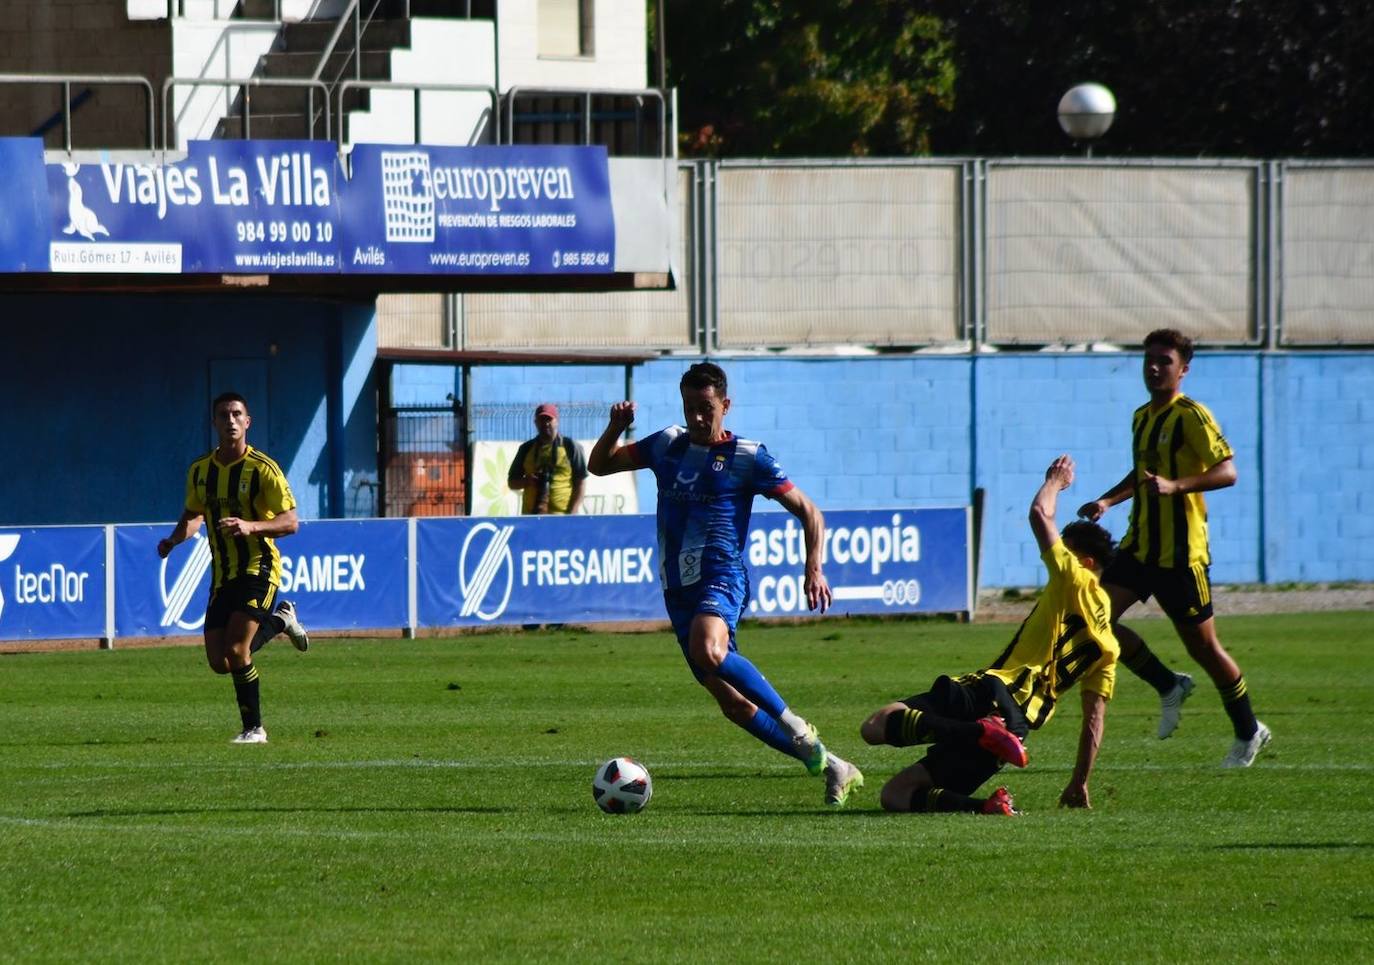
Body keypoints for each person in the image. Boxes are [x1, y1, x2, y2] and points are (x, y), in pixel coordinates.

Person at [588, 362, 864, 807]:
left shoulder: (748, 457)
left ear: (726, 406)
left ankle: (795, 724)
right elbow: (599, 466)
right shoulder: (666, 445)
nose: (698, 417)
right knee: (733, 705)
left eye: (707, 408)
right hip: (677, 588)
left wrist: (814, 567)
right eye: (690, 407)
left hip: (722, 575)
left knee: (710, 650)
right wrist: (614, 428)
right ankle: (834, 765)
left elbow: (810, 511)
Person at [859, 455, 1118, 815]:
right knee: (897, 794)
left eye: (1067, 548)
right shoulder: (1109, 647)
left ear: (1087, 562)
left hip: (995, 690)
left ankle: (978, 731)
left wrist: (1056, 481)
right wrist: (1080, 781)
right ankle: (990, 806)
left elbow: (1040, 515)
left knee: (874, 726)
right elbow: (1094, 719)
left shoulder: (1073, 578)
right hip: (1019, 727)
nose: (1058, 552)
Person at [1078, 329, 1271, 768]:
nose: (1153, 367)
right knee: (1092, 618)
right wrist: (1108, 500)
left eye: (1164, 361)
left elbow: (1228, 472)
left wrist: (1178, 485)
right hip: (1138, 548)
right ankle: (1168, 685)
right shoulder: (1142, 416)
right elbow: (1143, 474)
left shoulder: (1192, 416)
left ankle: (1248, 730)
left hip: (1182, 558)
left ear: (1182, 369)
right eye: (1148, 359)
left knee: (1204, 649)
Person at [157, 392, 310, 745]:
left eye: (236, 414)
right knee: (219, 661)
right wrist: (173, 540)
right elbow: (194, 514)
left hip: (259, 567)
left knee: (237, 651)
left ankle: (254, 728)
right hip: (223, 574)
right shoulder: (200, 471)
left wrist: (251, 526)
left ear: (247, 422)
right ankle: (280, 621)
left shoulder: (263, 469)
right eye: (223, 414)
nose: (230, 420)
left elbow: (291, 522)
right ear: (214, 422)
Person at [507, 403, 588, 515]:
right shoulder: (526, 449)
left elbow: (581, 482)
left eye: (549, 419)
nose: (545, 423)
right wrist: (527, 481)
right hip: (531, 518)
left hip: (561, 517)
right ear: (535, 423)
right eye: (541, 420)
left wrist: (572, 514)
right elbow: (511, 483)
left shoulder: (571, 447)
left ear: (557, 421)